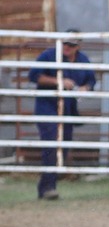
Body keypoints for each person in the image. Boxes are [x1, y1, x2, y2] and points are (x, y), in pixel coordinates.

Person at [28, 29, 96, 200]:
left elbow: (91, 79)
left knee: (63, 147)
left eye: (71, 45)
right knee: (51, 143)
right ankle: (47, 187)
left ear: (77, 46)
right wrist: (58, 82)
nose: (67, 47)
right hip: (47, 105)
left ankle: (48, 185)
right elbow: (34, 75)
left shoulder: (83, 60)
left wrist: (85, 88)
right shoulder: (49, 55)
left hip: (68, 108)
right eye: (65, 44)